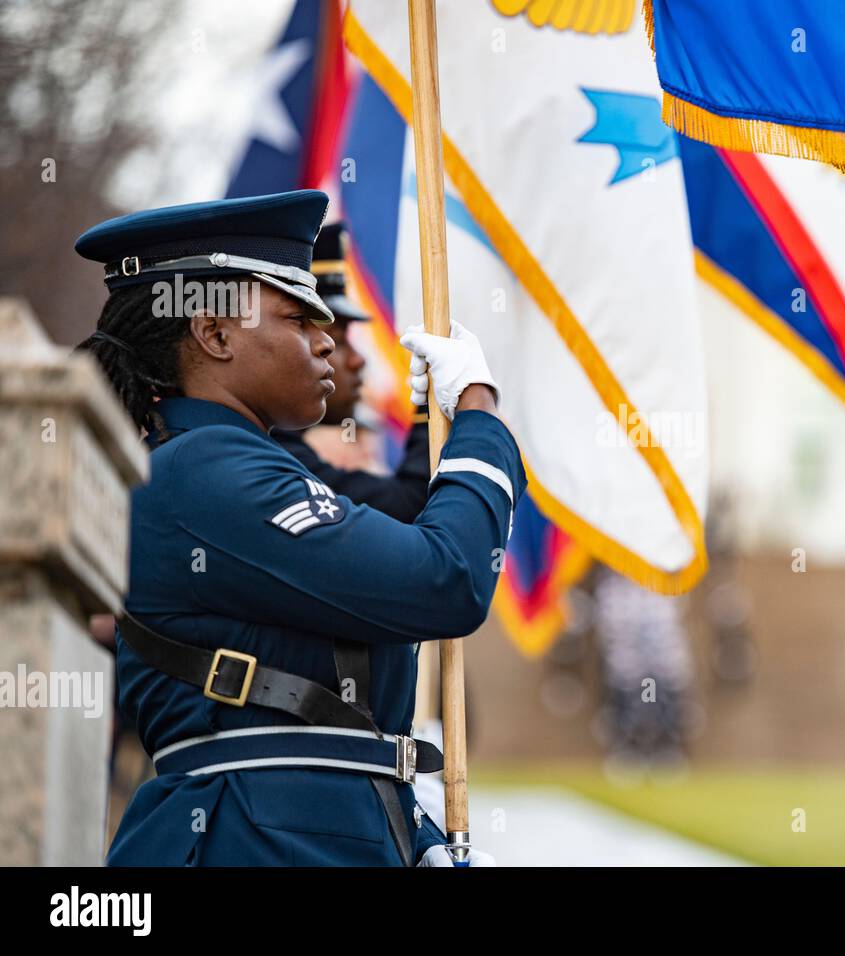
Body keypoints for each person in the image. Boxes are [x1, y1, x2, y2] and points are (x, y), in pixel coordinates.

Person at [75, 189, 521, 866]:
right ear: (215, 333)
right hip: (250, 840)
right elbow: (447, 579)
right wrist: (481, 416)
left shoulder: (229, 463)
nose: (325, 341)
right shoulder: (205, 470)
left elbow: (340, 719)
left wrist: (417, 839)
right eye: (298, 317)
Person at [273, 223, 432, 522]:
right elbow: (409, 507)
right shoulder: (275, 452)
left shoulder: (279, 444)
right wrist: (438, 405)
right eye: (337, 339)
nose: (358, 360)